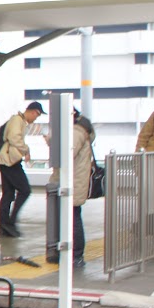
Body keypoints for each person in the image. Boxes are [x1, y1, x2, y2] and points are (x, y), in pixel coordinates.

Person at [50, 108, 95, 266]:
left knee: (73, 217)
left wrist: (51, 141)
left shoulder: (76, 131)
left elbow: (67, 155)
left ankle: (76, 255)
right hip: (74, 180)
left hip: (72, 182)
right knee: (72, 216)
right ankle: (73, 254)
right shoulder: (81, 130)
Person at [0, 100, 43, 237]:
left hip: (7, 161)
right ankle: (10, 222)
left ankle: (5, 225)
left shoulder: (19, 121)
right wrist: (26, 150)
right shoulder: (17, 120)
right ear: (33, 111)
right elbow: (14, 138)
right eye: (37, 115)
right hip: (9, 162)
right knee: (25, 190)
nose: (35, 119)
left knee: (8, 194)